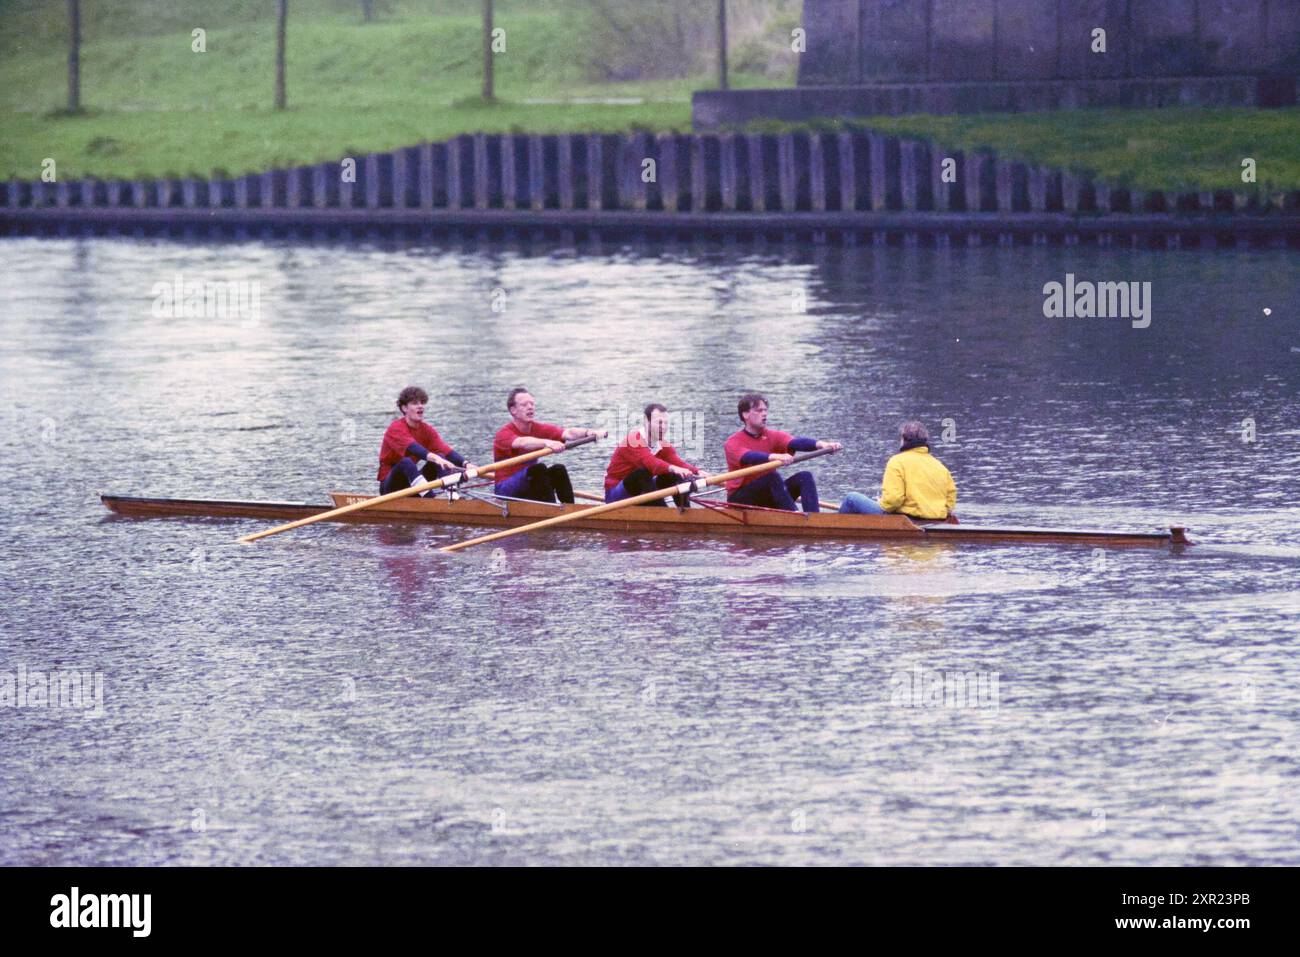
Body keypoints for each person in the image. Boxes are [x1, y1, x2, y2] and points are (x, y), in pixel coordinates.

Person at [722, 393, 841, 512]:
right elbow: (749, 457)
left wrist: (822, 444)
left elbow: (796, 443)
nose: (764, 414)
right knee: (771, 477)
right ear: (745, 414)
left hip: (765, 495)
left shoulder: (772, 435)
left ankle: (814, 521)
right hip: (739, 501)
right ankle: (795, 519)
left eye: (765, 410)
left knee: (805, 477)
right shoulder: (733, 442)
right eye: (759, 410)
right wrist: (775, 456)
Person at [492, 387, 606, 503]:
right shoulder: (503, 434)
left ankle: (570, 510)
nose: (530, 407)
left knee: (558, 469)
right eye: (524, 405)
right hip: (505, 490)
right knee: (538, 469)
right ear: (513, 410)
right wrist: (548, 442)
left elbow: (568, 433)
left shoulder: (539, 428)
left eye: (532, 404)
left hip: (529, 483)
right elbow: (522, 442)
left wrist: (588, 432)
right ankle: (551, 511)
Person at [839, 421, 957, 522]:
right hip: (937, 519)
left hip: (906, 519)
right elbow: (951, 498)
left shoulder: (897, 461)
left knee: (851, 498)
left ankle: (836, 529)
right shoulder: (940, 466)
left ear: (904, 440)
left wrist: (881, 504)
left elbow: (894, 500)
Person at [377, 386, 476, 496]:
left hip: (412, 484)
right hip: (391, 487)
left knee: (441, 456)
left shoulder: (426, 430)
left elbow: (446, 451)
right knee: (406, 462)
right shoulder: (396, 428)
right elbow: (415, 448)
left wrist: (466, 464)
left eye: (422, 403)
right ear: (404, 408)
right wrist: (437, 459)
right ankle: (430, 499)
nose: (420, 406)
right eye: (415, 403)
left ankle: (453, 498)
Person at [605, 403, 702, 507]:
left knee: (674, 475)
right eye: (659, 423)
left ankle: (685, 513)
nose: (663, 427)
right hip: (615, 496)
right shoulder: (633, 440)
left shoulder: (663, 444)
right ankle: (663, 515)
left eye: (665, 423)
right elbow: (651, 463)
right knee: (642, 473)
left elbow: (679, 463)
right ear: (646, 421)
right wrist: (674, 468)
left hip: (641, 491)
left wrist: (698, 472)